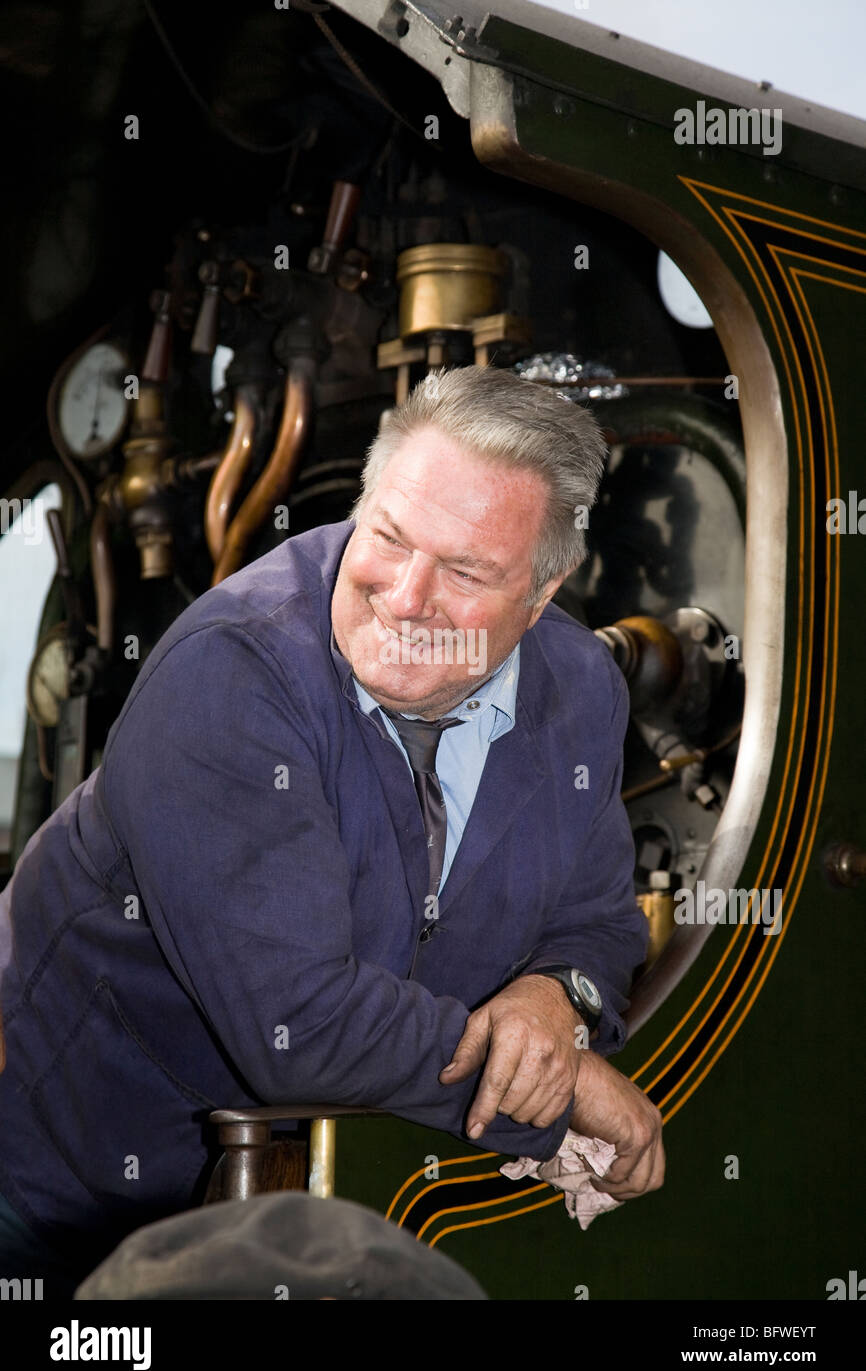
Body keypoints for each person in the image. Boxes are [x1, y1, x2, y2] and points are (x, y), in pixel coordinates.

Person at [0, 364, 663, 1294]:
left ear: (543, 593)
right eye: (388, 537)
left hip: (343, 1206)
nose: (405, 596)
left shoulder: (583, 688)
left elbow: (597, 928)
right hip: (71, 1194)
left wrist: (556, 999)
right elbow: (297, 1024)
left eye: (466, 572)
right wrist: (564, 1099)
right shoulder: (227, 676)